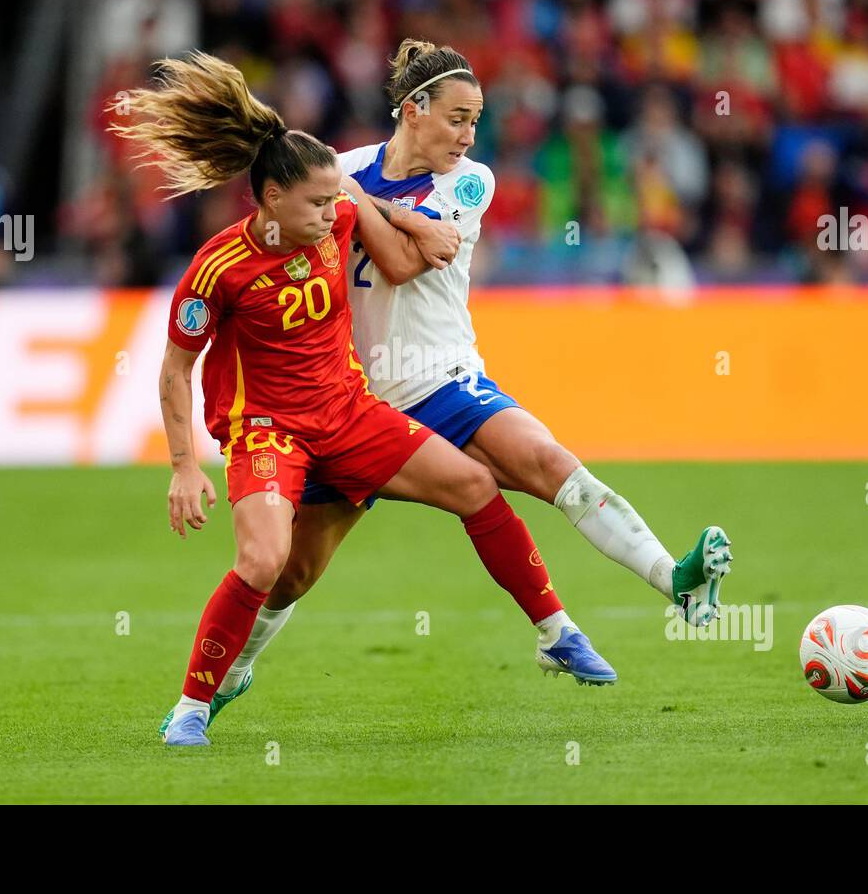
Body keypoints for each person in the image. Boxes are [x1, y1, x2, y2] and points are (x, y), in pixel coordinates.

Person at [211, 40, 735, 727]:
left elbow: (400, 263)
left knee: (551, 463)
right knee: (295, 572)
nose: (468, 135)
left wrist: (361, 200)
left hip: (444, 382)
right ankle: (234, 670)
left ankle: (677, 583)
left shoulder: (467, 183)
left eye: (475, 120)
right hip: (351, 405)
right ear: (412, 108)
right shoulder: (342, 169)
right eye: (457, 117)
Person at [111, 51, 617, 747]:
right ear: (269, 201)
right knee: (269, 566)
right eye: (317, 203)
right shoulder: (216, 269)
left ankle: (556, 629)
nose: (331, 215)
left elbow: (361, 203)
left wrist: (416, 222)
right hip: (267, 431)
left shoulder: (338, 216)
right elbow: (174, 370)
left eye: (333, 200)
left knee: (474, 484)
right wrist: (181, 465)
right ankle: (193, 706)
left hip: (350, 414)